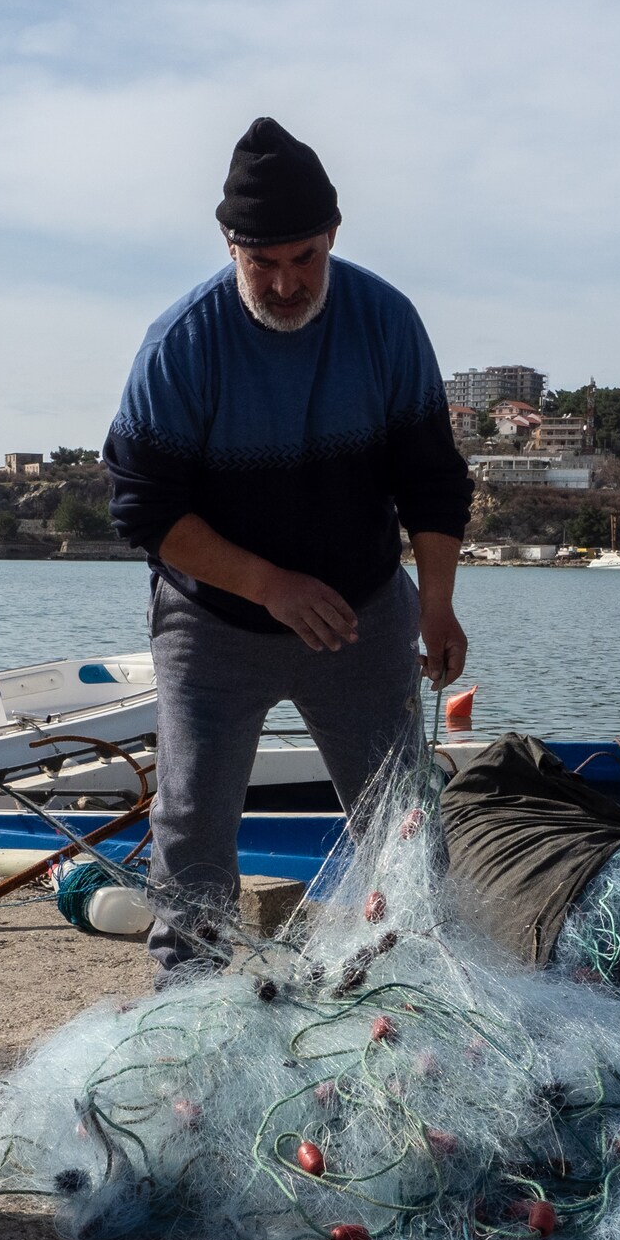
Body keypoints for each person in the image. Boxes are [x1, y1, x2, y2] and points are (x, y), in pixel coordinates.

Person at [105, 118, 472, 971]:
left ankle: (424, 981)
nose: (284, 283)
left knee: (403, 819)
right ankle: (186, 1001)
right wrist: (268, 584)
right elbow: (142, 509)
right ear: (229, 245)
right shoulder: (180, 343)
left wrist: (441, 602)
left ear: (333, 238)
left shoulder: (386, 322)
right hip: (214, 622)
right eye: (261, 263)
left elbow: (431, 479)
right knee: (192, 819)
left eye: (304, 259)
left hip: (362, 610)